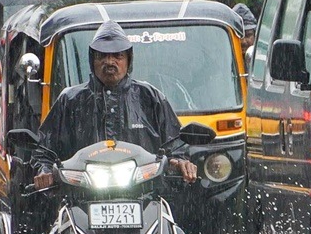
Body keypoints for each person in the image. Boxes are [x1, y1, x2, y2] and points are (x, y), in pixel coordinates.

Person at [36, 20, 197, 186]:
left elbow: (176, 147)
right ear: (92, 61)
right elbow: (44, 152)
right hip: (80, 196)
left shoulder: (150, 97)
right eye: (102, 56)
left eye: (117, 56)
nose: (110, 62)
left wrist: (179, 162)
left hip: (145, 194)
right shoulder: (69, 100)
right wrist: (45, 171)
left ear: (128, 60)